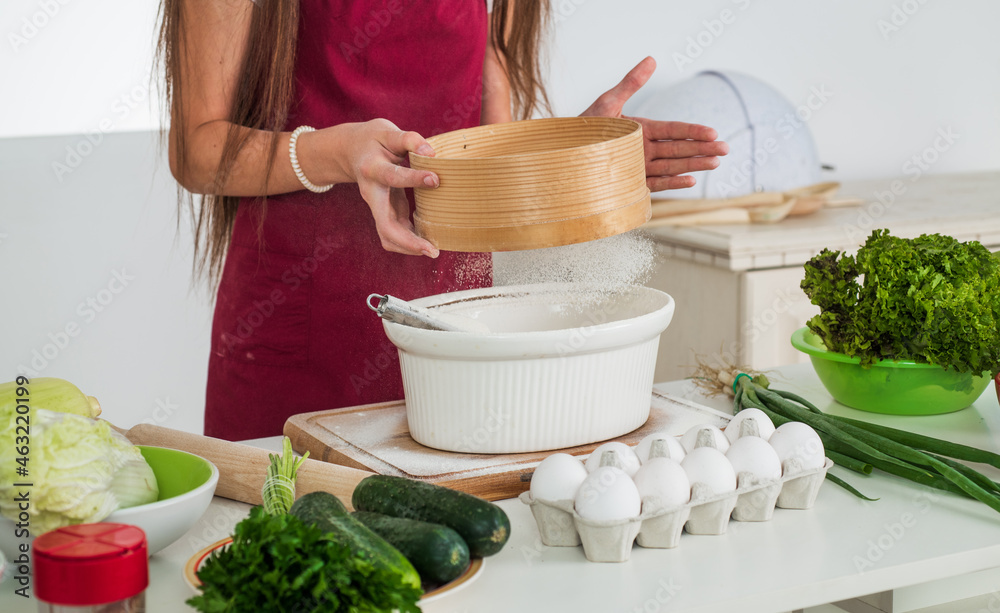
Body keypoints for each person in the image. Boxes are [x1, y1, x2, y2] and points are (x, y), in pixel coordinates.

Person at [158, 0, 729, 441]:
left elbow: (482, 156)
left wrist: (576, 160)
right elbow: (198, 148)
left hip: (457, 326)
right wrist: (339, 153)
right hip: (303, 318)